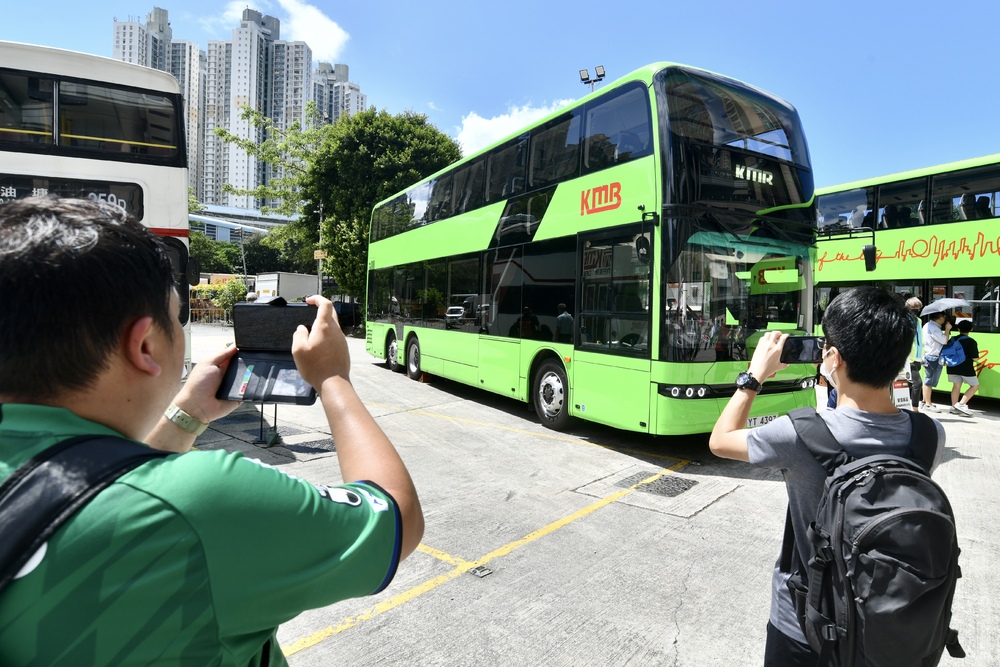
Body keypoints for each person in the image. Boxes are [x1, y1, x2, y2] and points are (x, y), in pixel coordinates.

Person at [0, 198, 423, 665]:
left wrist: (187, 414)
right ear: (143, 344)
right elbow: (397, 519)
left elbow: (88, 488)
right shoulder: (201, 503)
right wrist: (333, 378)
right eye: (176, 316)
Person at [708, 286, 945, 666]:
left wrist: (754, 376)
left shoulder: (800, 434)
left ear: (833, 357)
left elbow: (720, 441)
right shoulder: (929, 435)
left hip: (804, 625)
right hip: (891, 622)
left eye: (825, 349)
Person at [947, 320, 980, 417]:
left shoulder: (952, 339)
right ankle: (961, 404)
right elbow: (975, 358)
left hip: (952, 366)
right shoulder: (971, 341)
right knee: (975, 386)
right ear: (971, 329)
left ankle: (953, 407)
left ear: (958, 329)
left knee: (956, 386)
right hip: (966, 367)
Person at [921, 310, 952, 411]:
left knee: (929, 379)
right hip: (932, 356)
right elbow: (944, 341)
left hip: (930, 355)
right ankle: (928, 404)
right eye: (943, 317)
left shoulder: (928, 325)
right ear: (939, 318)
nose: (944, 319)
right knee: (929, 380)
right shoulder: (933, 328)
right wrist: (947, 330)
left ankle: (925, 401)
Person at [905, 297, 924, 411]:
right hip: (908, 358)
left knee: (908, 384)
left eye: (917, 308)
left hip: (917, 357)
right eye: (913, 308)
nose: (916, 310)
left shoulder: (919, 321)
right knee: (918, 383)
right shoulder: (904, 320)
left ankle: (904, 407)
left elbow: (919, 339)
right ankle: (915, 409)